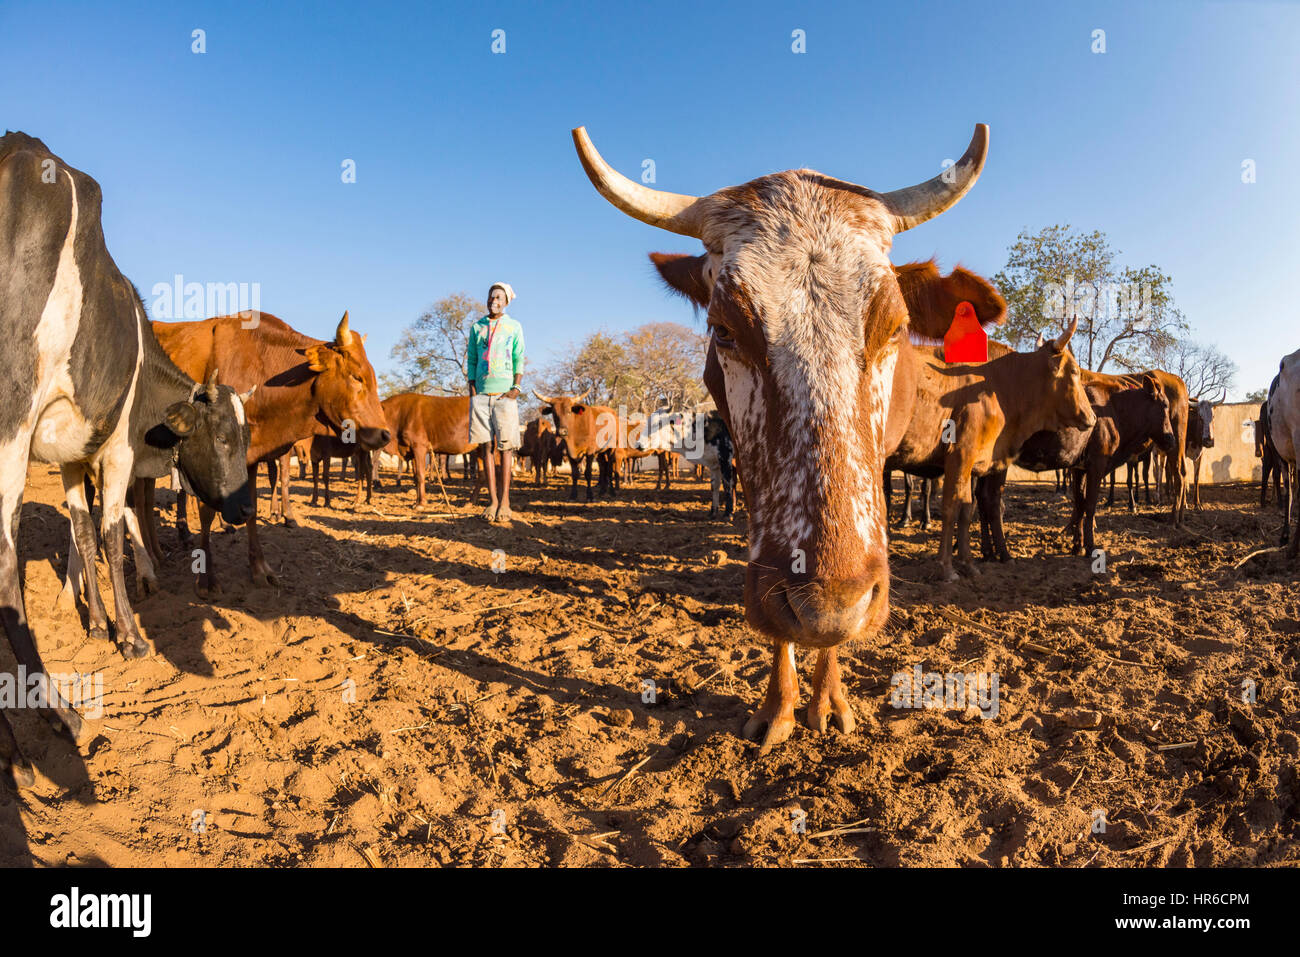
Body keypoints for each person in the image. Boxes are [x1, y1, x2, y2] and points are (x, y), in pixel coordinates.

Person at [466, 281, 525, 522]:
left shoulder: (513, 326)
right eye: (491, 296)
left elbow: (519, 356)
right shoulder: (477, 327)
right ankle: (491, 501)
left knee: (506, 448)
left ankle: (506, 503)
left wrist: (516, 388)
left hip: (505, 395)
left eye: (499, 297)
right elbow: (471, 358)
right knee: (486, 448)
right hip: (481, 395)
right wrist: (472, 388)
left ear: (506, 301)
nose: (494, 301)